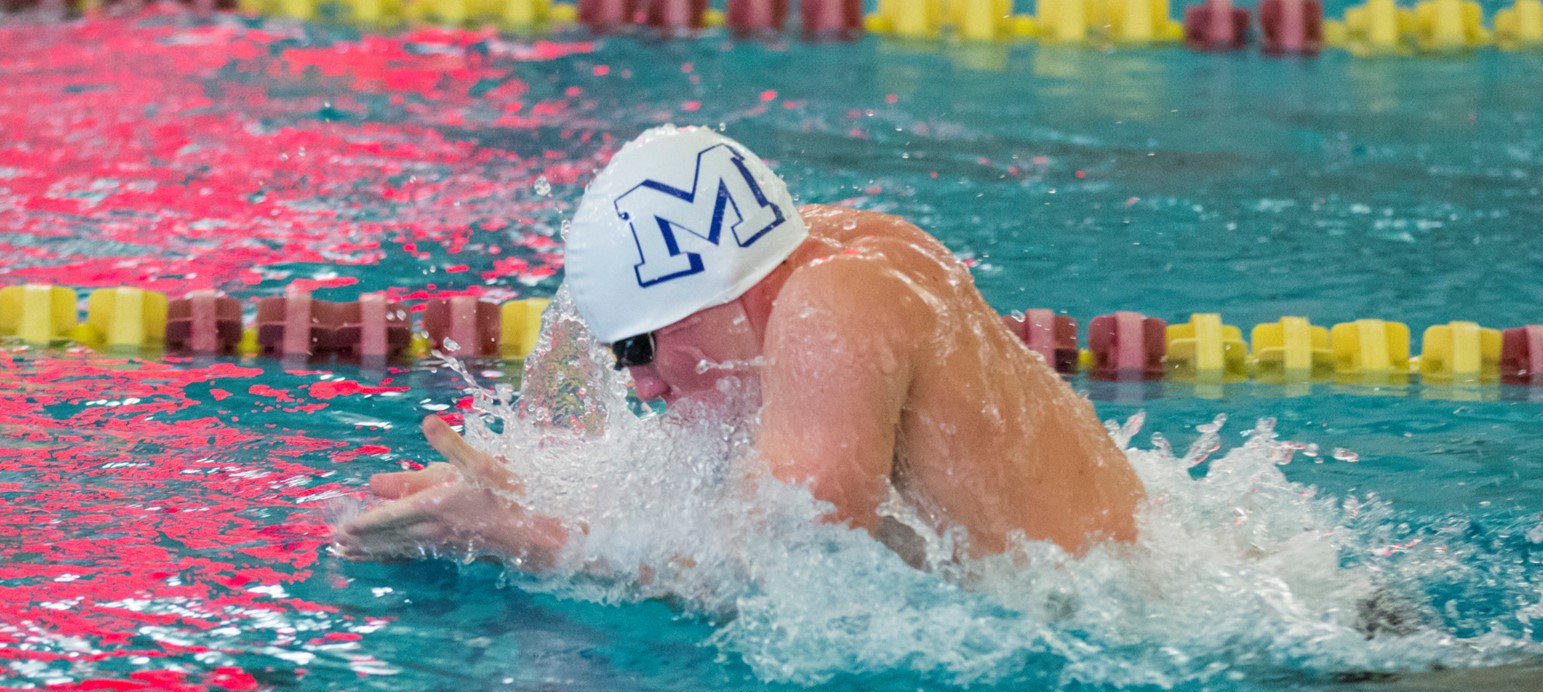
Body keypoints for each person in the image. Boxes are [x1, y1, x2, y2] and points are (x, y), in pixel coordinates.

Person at [336, 125, 1145, 570]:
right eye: (624, 359)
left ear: (723, 293)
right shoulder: (830, 246)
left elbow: (796, 567)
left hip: (1120, 644)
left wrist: (525, 532)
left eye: (647, 347)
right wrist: (526, 495)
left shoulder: (828, 308)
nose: (645, 388)